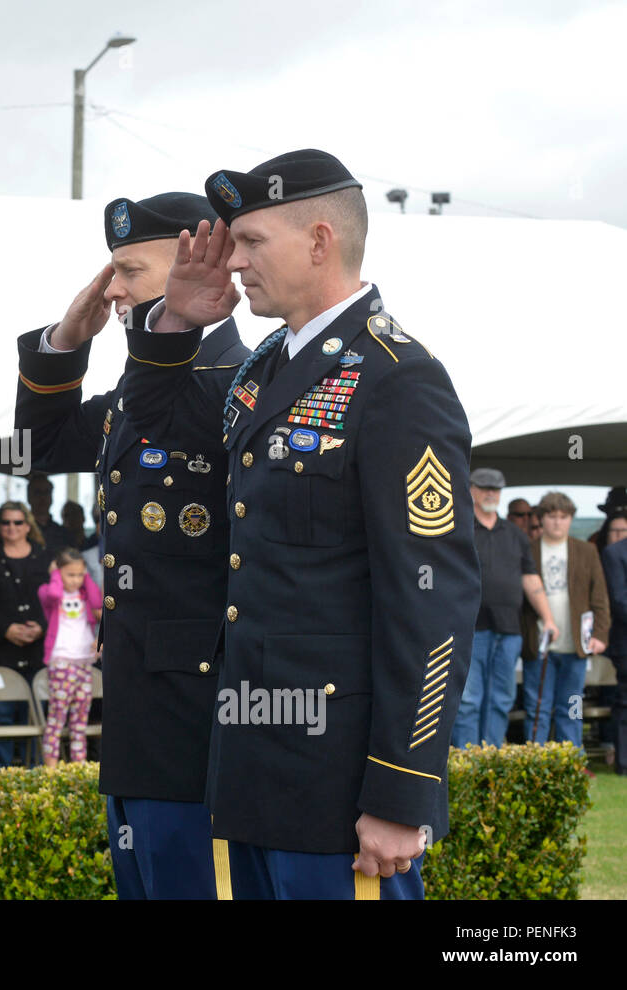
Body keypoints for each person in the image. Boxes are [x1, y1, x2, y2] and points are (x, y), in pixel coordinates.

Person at [183, 149, 480, 899]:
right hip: (254, 771)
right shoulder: (262, 369)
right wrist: (174, 325)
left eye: (252, 242)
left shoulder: (397, 377)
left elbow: (432, 601)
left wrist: (402, 790)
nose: (235, 261)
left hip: (339, 790)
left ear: (321, 241)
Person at [14, 191, 250, 899]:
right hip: (141, 706)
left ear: (194, 268)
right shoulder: (136, 389)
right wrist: (66, 338)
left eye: (129, 270)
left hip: (203, 713)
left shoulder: (237, 382)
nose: (113, 288)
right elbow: (42, 445)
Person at [452, 468, 557, 748]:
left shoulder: (515, 535)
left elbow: (530, 578)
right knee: (469, 699)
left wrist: (548, 618)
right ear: (471, 489)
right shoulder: (458, 528)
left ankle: (492, 759)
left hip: (509, 629)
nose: (491, 494)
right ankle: (467, 762)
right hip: (469, 628)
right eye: (485, 487)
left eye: (496, 489)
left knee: (501, 698)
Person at [521, 492, 610, 759]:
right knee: (537, 707)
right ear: (542, 519)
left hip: (576, 643)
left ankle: (572, 763)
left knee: (571, 707)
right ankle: (533, 763)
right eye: (552, 517)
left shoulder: (586, 550)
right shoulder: (528, 549)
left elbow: (599, 596)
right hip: (539, 642)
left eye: (563, 517)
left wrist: (600, 634)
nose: (557, 523)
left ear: (571, 519)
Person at [0, 500, 50, 767]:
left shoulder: (44, 556)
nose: (11, 527)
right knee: (0, 713)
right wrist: (6, 629)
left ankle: (37, 774)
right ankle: (3, 774)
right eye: (5, 522)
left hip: (38, 649)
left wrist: (42, 625)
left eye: (17, 522)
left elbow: (58, 597)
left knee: (37, 712)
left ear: (27, 526)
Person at [37, 548, 102, 767]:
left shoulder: (84, 594)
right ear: (58, 572)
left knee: (80, 719)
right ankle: (51, 769)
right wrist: (55, 574)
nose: (75, 580)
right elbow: (53, 594)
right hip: (61, 660)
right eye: (69, 575)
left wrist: (86, 578)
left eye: (79, 575)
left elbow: (96, 602)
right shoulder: (48, 591)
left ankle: (78, 767)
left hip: (83, 660)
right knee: (57, 717)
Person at [601, 511, 627, 774]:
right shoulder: (615, 553)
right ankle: (624, 763)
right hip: (625, 641)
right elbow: (620, 601)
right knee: (625, 702)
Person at [26, 473, 70, 555]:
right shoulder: (20, 531)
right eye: (38, 492)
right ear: (28, 496)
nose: (43, 497)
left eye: (46, 492)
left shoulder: (63, 534)